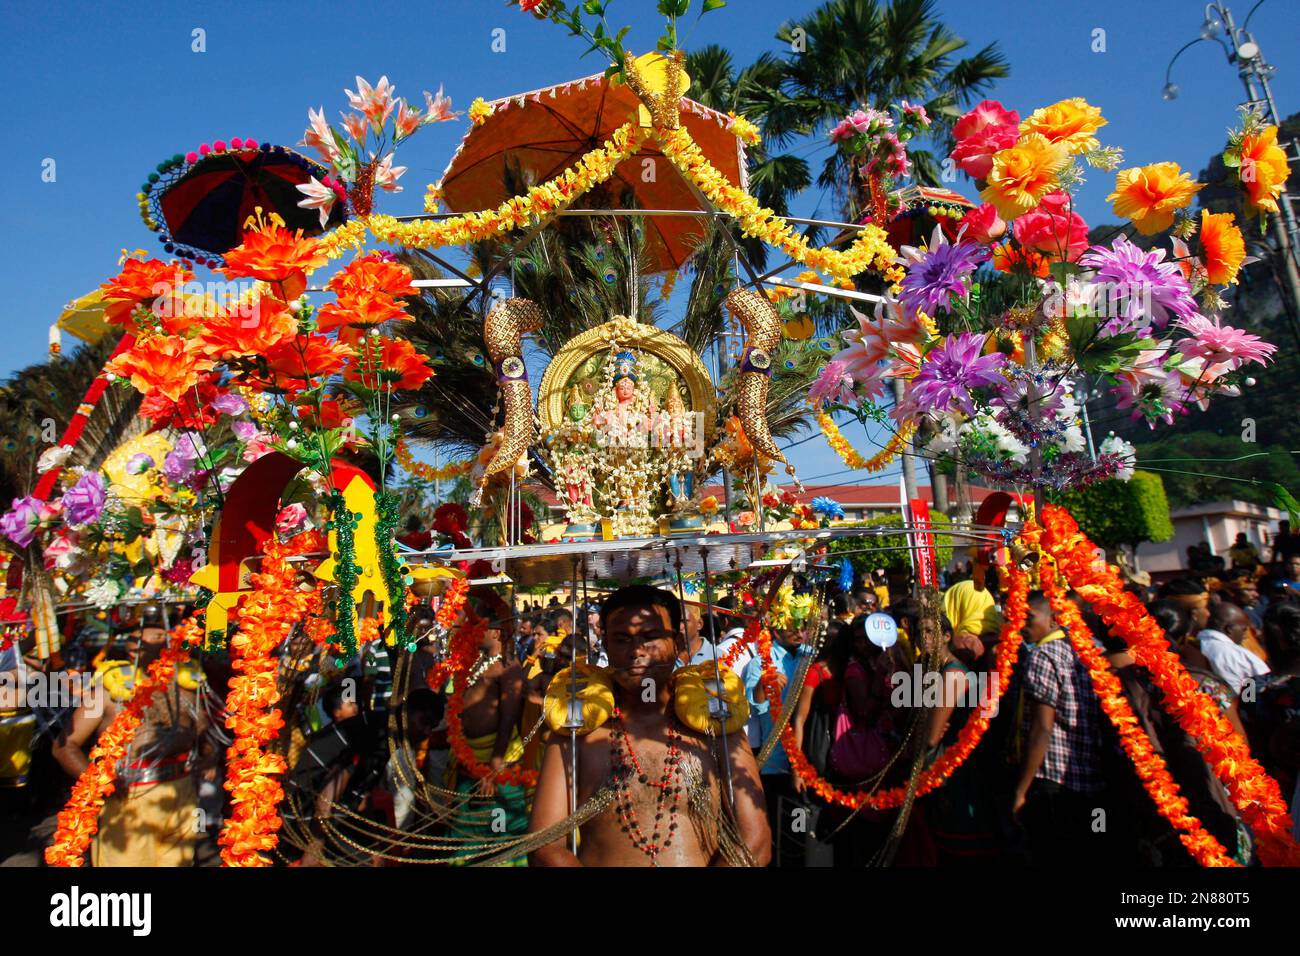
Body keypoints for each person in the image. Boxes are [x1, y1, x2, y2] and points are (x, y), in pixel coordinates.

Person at [528, 585, 769, 866]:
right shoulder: (576, 728)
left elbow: (756, 842)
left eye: (651, 637)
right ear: (605, 645)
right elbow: (545, 846)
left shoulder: (715, 719)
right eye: (622, 640)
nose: (637, 651)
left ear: (677, 643)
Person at [52, 606, 207, 866]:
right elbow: (64, 747)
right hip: (128, 800)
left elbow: (203, 734)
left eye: (147, 634)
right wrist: (102, 784)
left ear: (168, 640)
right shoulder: (107, 690)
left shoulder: (188, 684)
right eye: (133, 635)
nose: (136, 641)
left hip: (181, 797)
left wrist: (209, 755)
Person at [1012, 591, 1107, 866]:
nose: (1021, 625)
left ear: (1054, 619)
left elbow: (1042, 728)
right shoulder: (1086, 648)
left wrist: (1022, 789)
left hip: (1052, 777)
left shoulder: (1042, 655)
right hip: (1088, 777)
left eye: (1028, 618)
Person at [447, 593, 529, 862]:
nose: (473, 631)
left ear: (494, 632)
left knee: (500, 836)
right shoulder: (476, 663)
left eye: (478, 625)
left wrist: (493, 767)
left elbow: (508, 719)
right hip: (469, 762)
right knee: (465, 834)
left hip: (498, 766)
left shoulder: (509, 668)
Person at [1196, 601, 1269, 698]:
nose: (1245, 635)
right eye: (1243, 629)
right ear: (1229, 629)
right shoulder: (1241, 656)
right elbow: (1249, 697)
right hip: (1227, 708)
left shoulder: (1189, 643)